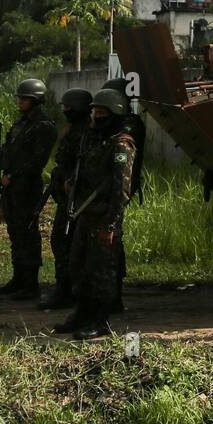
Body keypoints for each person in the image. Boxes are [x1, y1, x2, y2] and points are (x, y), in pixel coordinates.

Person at [55, 88, 136, 340]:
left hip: (103, 217)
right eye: (94, 113)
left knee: (101, 270)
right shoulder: (92, 139)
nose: (96, 118)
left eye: (102, 114)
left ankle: (100, 320)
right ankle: (82, 312)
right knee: (78, 265)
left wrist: (110, 225)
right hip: (84, 213)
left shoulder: (121, 145)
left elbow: (121, 190)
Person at [0, 78, 57, 300]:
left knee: (28, 233)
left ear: (36, 100)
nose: (20, 101)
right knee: (15, 233)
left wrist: (12, 176)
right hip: (12, 187)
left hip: (26, 187)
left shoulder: (43, 126)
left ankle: (30, 284)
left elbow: (36, 161)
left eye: (24, 98)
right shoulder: (21, 124)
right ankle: (19, 279)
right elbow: (12, 151)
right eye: (19, 97)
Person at [40, 87, 92, 311]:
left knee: (64, 242)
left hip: (76, 198)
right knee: (61, 242)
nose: (65, 111)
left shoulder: (86, 133)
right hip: (66, 195)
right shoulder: (74, 130)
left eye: (69, 108)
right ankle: (67, 289)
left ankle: (67, 291)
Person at [100, 77, 145, 314]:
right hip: (111, 188)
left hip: (118, 187)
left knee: (111, 244)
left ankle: (112, 298)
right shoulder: (121, 124)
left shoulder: (128, 127)